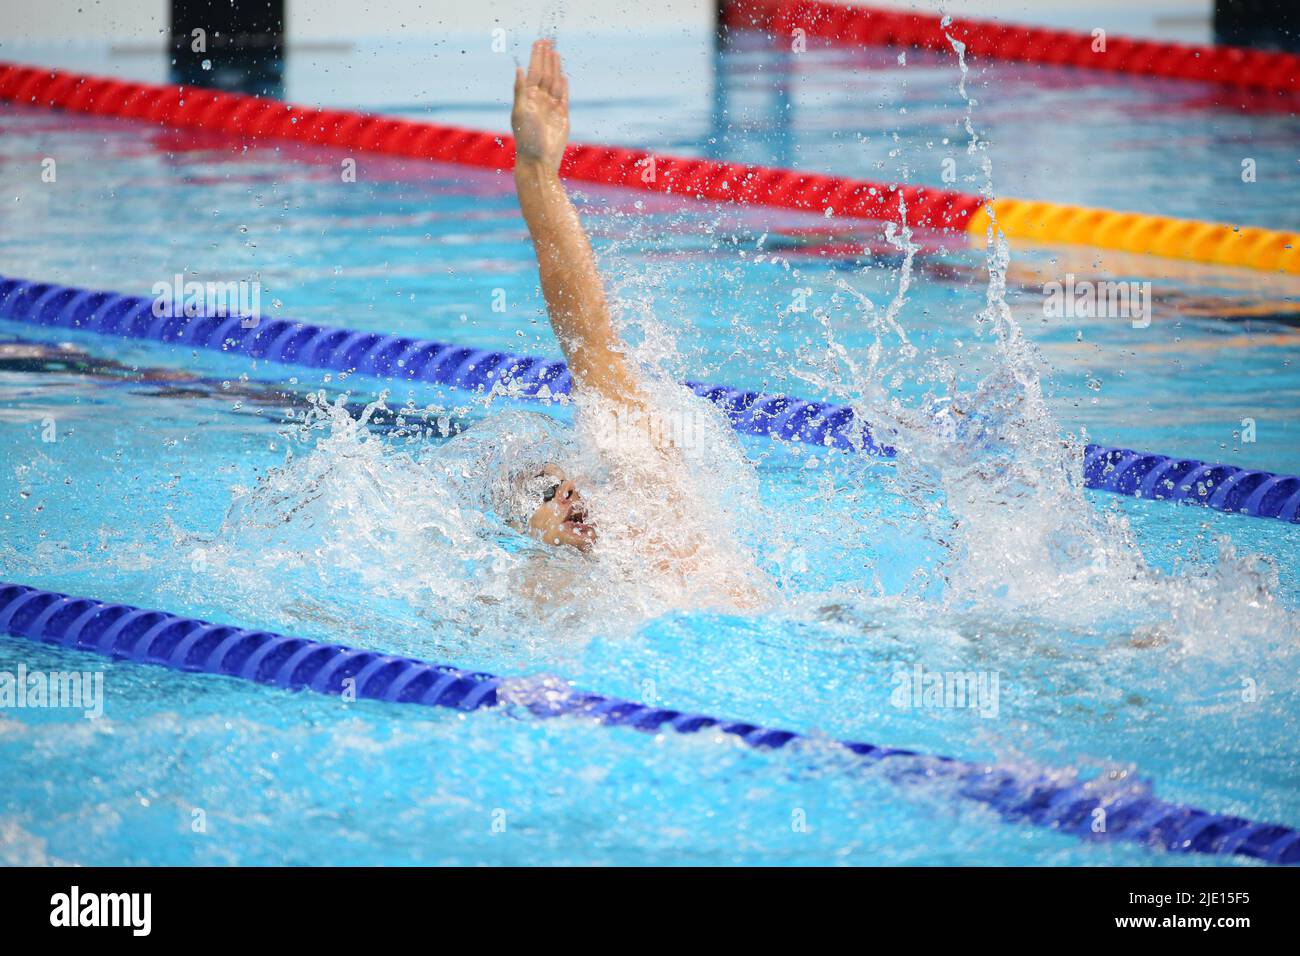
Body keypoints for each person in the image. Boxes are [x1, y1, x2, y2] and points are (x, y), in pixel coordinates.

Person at [500, 39, 765, 606]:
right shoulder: (543, 592)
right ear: (521, 532)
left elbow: (587, 335)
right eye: (546, 494)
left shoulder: (654, 498)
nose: (568, 492)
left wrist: (538, 173)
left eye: (565, 480)